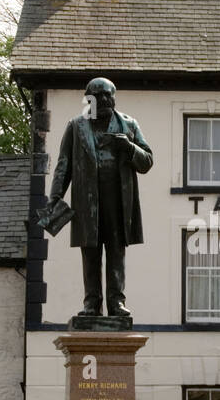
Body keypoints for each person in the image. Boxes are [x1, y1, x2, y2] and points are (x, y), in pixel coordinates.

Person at [46, 77, 153, 319]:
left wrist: (129, 147)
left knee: (116, 252)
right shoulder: (76, 126)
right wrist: (55, 197)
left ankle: (116, 303)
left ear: (114, 97)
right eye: (98, 95)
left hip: (118, 201)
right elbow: (64, 166)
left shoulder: (129, 125)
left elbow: (147, 162)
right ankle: (91, 304)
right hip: (87, 202)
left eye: (108, 95)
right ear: (89, 99)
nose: (104, 99)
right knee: (90, 254)